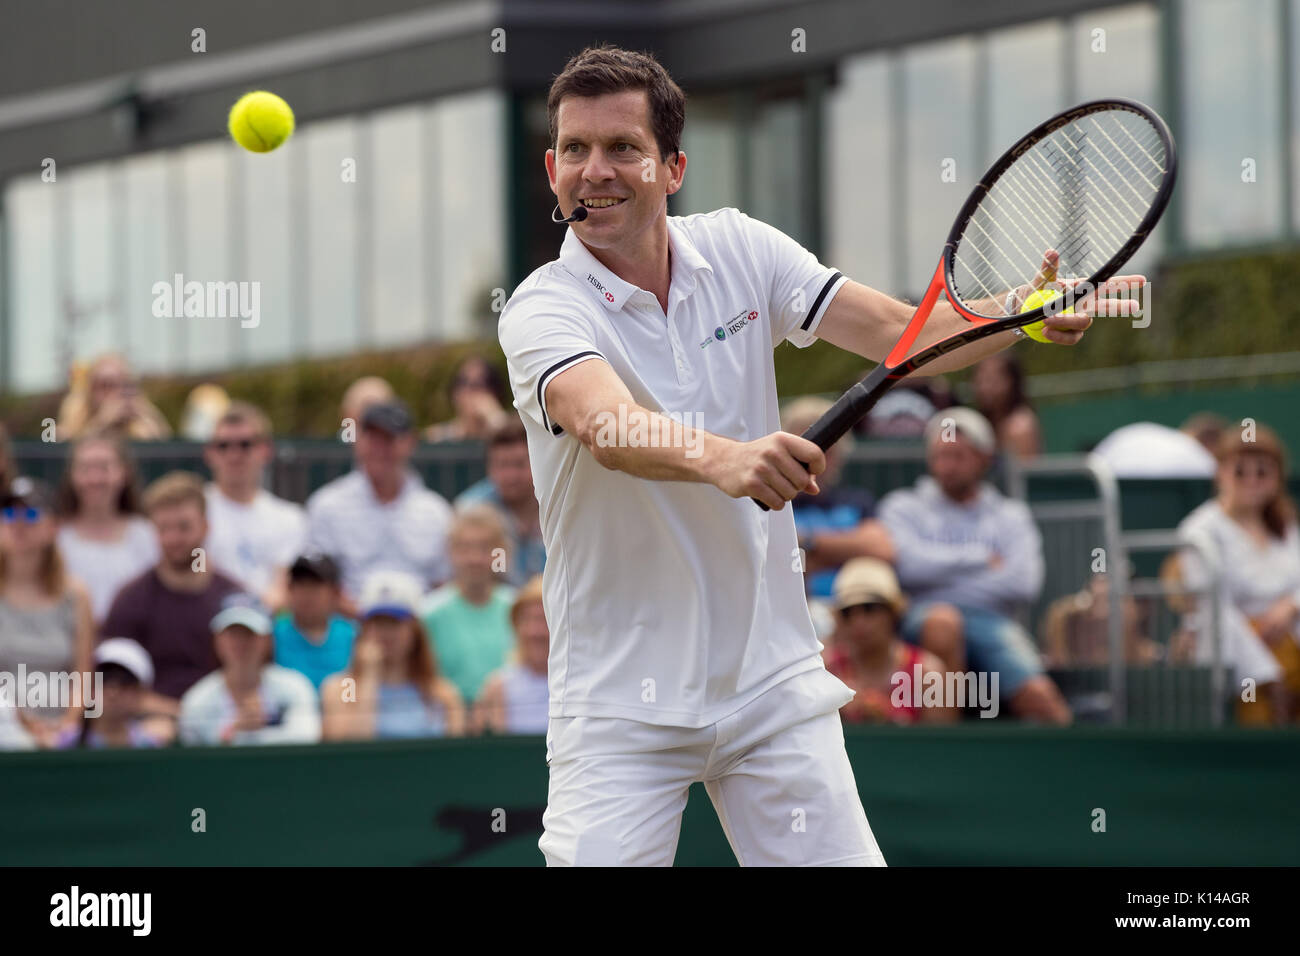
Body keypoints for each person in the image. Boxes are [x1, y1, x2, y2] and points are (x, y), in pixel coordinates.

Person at [498, 46, 1116, 867]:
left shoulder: (743, 250)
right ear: (550, 167)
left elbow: (909, 335)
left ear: (673, 167)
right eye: (574, 149)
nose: (594, 170)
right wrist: (725, 459)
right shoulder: (543, 308)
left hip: (771, 687)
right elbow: (607, 427)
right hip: (620, 708)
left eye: (622, 148)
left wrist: (1020, 313)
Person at [877, 408, 1071, 724]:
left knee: (1045, 702)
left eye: (958, 456)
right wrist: (981, 560)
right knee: (944, 621)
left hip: (994, 622)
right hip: (922, 618)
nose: (948, 466)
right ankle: (946, 751)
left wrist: (938, 578)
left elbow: (1023, 583)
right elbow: (907, 567)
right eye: (941, 456)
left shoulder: (1011, 515)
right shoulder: (902, 507)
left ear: (984, 458)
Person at [1176, 424, 1300, 725]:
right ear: (1220, 473)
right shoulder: (1199, 532)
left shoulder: (1285, 525)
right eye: (1240, 471)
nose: (1252, 481)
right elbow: (1212, 607)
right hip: (1238, 660)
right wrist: (1269, 674)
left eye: (1263, 472)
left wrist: (1290, 607)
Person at [101, 471, 244, 712]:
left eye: (184, 527)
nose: (173, 538)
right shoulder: (130, 600)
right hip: (150, 734)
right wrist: (178, 715)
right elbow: (112, 687)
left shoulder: (234, 599)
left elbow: (251, 678)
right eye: (163, 528)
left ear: (205, 526)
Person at [303, 400, 453, 602]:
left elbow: (443, 584)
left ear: (411, 442)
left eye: (389, 439)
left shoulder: (437, 513)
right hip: (350, 628)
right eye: (373, 438)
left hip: (418, 627)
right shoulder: (326, 506)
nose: (380, 449)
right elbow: (316, 582)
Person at [0, 477, 94, 746]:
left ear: (53, 527)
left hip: (61, 735)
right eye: (8, 513)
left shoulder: (76, 595)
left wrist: (67, 727)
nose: (18, 523)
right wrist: (25, 724)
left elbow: (83, 675)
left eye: (30, 514)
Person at [321, 571, 465, 740]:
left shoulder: (442, 693)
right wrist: (369, 675)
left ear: (415, 630)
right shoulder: (341, 688)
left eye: (394, 623)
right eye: (377, 623)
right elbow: (349, 753)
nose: (385, 633)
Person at [782, 396, 893, 601]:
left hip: (852, 612)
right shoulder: (772, 502)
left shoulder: (857, 501)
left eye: (827, 450)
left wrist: (808, 544)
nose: (814, 461)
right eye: (803, 451)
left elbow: (881, 549)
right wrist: (846, 550)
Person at [823, 559, 955, 725]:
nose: (858, 621)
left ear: (893, 613)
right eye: (847, 613)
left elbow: (940, 746)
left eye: (869, 608)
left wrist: (889, 717)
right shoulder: (827, 669)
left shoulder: (929, 675)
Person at [202, 402, 306, 611]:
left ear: (265, 450)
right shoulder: (195, 512)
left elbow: (285, 589)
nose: (234, 455)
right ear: (210, 453)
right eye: (223, 446)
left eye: (245, 444)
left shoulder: (289, 517)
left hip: (266, 630)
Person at [178, 594, 321, 746]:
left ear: (267, 640)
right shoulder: (197, 699)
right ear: (217, 640)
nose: (240, 642)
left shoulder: (295, 687)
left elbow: (306, 736)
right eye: (232, 634)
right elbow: (193, 754)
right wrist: (232, 732)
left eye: (249, 633)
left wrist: (245, 736)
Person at [54, 436, 159, 624]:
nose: (95, 479)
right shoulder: (55, 537)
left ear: (124, 473)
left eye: (104, 467)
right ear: (72, 475)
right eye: (85, 469)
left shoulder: (147, 535)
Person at [420, 506, 516, 705]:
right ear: (450, 552)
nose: (474, 559)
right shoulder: (428, 614)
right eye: (464, 548)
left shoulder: (518, 609)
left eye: (485, 548)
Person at [454, 419, 546, 586]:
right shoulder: (470, 509)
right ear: (489, 467)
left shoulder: (556, 504)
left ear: (537, 462)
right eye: (502, 465)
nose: (511, 476)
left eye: (519, 465)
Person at [57, 638, 168, 748]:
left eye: (125, 682)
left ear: (141, 692)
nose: (112, 692)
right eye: (103, 679)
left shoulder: (149, 746)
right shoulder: (66, 743)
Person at [473, 575, 549, 735]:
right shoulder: (496, 688)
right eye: (527, 620)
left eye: (544, 620)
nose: (535, 632)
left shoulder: (582, 684)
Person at [273, 553, 357, 691]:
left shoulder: (354, 636)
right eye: (300, 584)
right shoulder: (271, 636)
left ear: (335, 592)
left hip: (341, 710)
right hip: (288, 711)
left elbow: (352, 692)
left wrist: (344, 705)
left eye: (315, 585)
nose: (307, 594)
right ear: (289, 589)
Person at [56, 353, 172, 441]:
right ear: (89, 390)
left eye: (124, 385)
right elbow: (63, 448)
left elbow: (165, 451)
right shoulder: (75, 417)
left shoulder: (142, 419)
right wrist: (101, 423)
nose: (116, 393)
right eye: (106, 385)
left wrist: (146, 419)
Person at [424, 355, 510, 443]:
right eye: (463, 381)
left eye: (481, 383)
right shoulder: (437, 438)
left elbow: (511, 439)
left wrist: (495, 417)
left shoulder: (510, 428)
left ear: (496, 392)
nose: (471, 391)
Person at [971, 353, 1041, 460]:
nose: (984, 388)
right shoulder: (986, 421)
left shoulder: (1020, 427)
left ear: (1011, 382)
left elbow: (1021, 473)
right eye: (980, 381)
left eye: (991, 380)